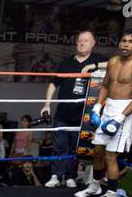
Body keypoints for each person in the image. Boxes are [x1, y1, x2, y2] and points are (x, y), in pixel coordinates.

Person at [74, 28, 132, 197]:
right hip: (108, 108)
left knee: (110, 156)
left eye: (130, 42)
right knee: (97, 151)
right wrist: (98, 108)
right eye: (124, 40)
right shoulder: (113, 61)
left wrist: (119, 119)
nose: (125, 44)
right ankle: (95, 186)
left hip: (125, 112)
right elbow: (106, 86)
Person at [42, 30, 106, 188]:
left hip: (83, 115)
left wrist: (94, 66)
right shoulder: (66, 62)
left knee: (74, 147)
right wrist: (47, 104)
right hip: (62, 112)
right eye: (80, 40)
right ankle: (55, 175)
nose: (82, 43)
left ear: (93, 43)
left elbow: (116, 63)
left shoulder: (97, 59)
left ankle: (71, 176)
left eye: (86, 40)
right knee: (58, 147)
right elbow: (53, 83)